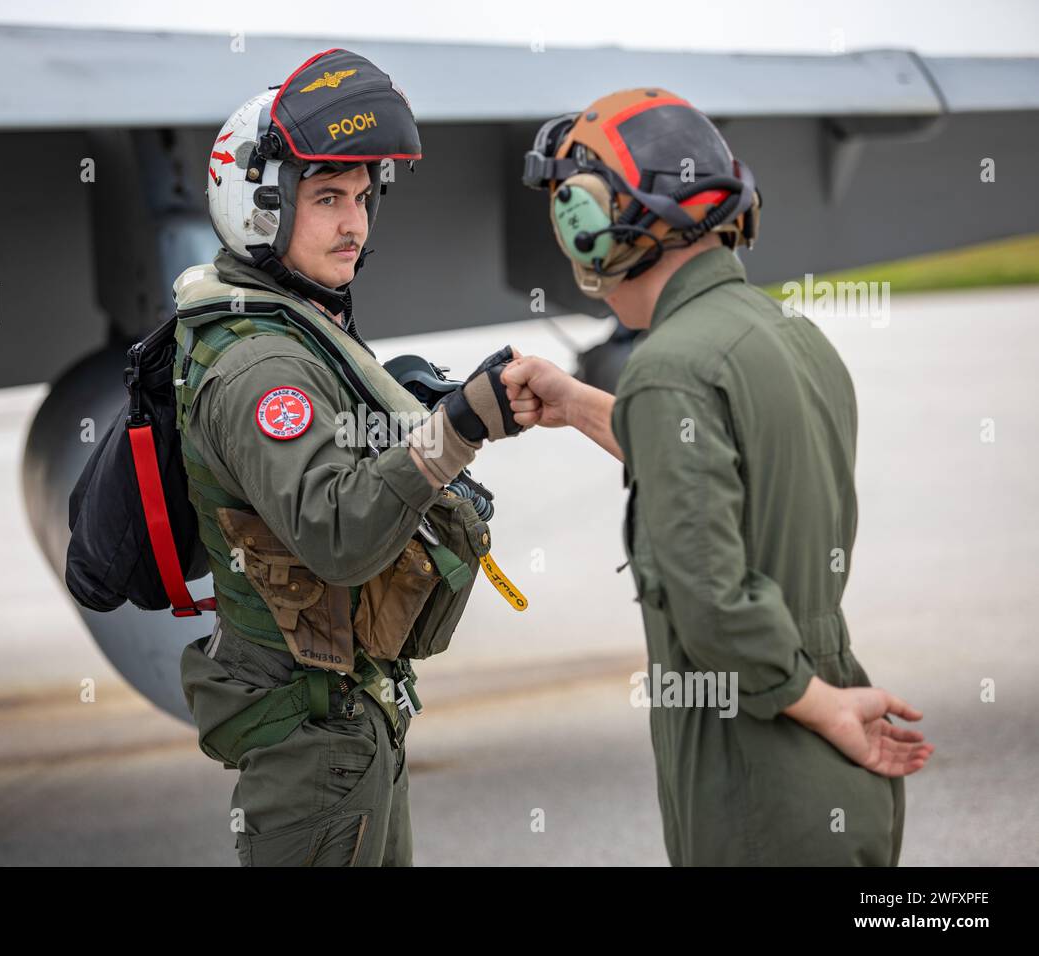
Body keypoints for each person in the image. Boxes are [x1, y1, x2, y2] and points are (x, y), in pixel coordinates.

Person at [504, 88, 934, 865]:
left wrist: (819, 707)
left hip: (759, 761)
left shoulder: (669, 369)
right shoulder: (792, 339)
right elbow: (713, 473)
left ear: (597, 221)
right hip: (829, 762)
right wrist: (577, 406)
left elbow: (711, 594)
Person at [176, 49, 531, 866]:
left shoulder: (285, 325)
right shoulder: (265, 366)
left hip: (343, 725)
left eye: (363, 198)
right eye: (327, 198)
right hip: (317, 746)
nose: (355, 225)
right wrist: (458, 429)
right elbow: (337, 540)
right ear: (258, 206)